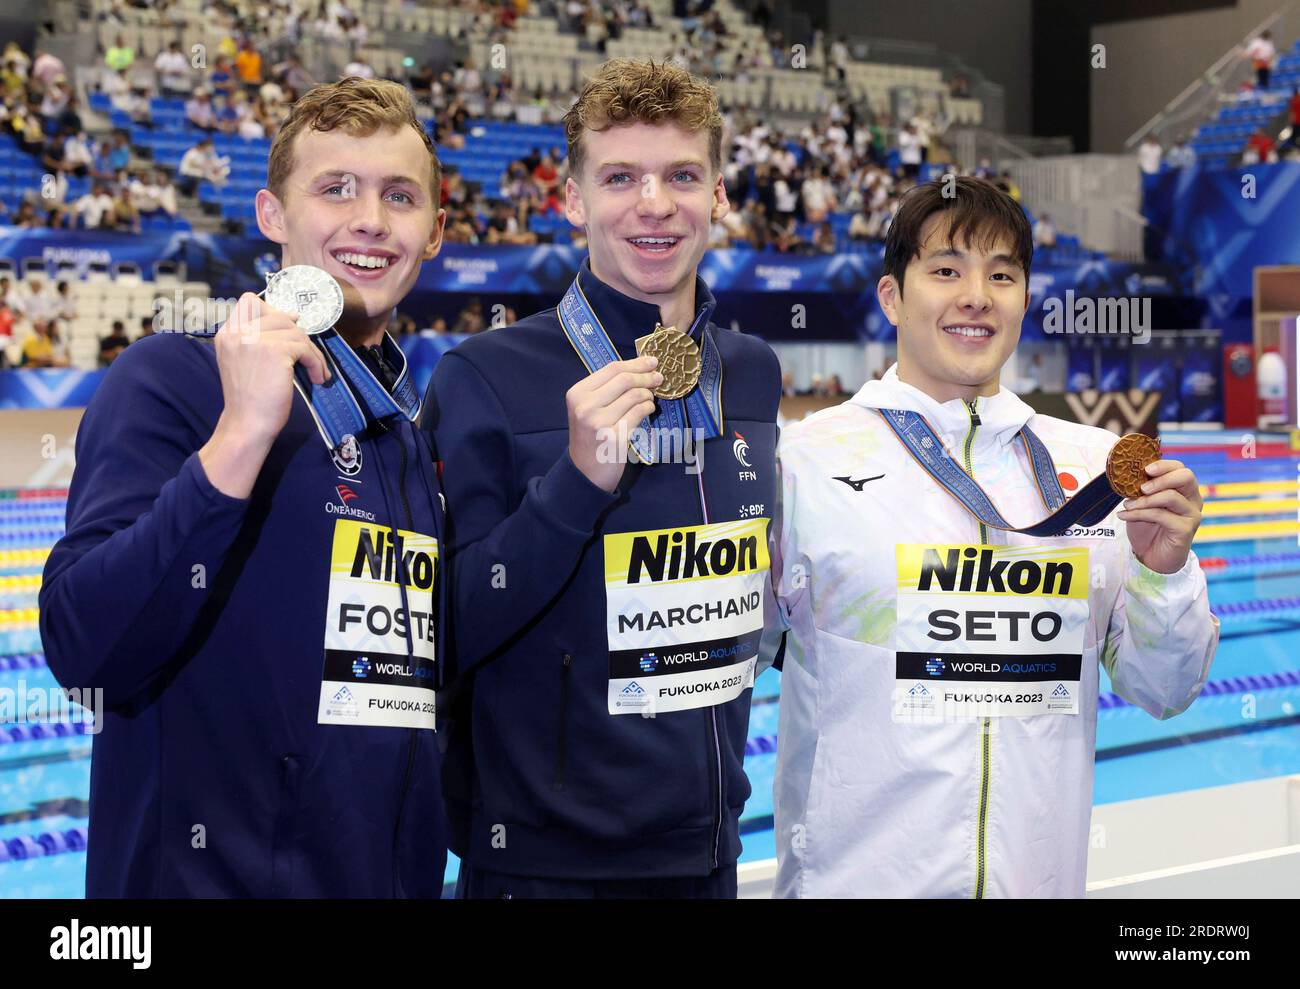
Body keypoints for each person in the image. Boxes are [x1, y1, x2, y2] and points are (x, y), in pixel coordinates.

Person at [40, 76, 451, 898]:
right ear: (272, 214)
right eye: (335, 188)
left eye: (398, 196)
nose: (369, 218)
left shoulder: (403, 433)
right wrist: (239, 437)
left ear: (435, 232)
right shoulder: (173, 377)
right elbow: (83, 642)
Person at [764, 176, 1219, 898]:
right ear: (892, 297)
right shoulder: (806, 462)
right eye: (946, 269)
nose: (976, 294)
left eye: (1001, 274)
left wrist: (1165, 572)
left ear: (1024, 300)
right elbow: (721, 669)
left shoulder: (1095, 469)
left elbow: (1163, 690)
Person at [424, 58, 781, 900]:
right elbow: (444, 631)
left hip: (706, 860)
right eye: (620, 177)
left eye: (681, 176)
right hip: (542, 869)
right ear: (575, 199)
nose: (653, 205)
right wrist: (576, 484)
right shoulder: (485, 376)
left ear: (719, 195)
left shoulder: (753, 374)